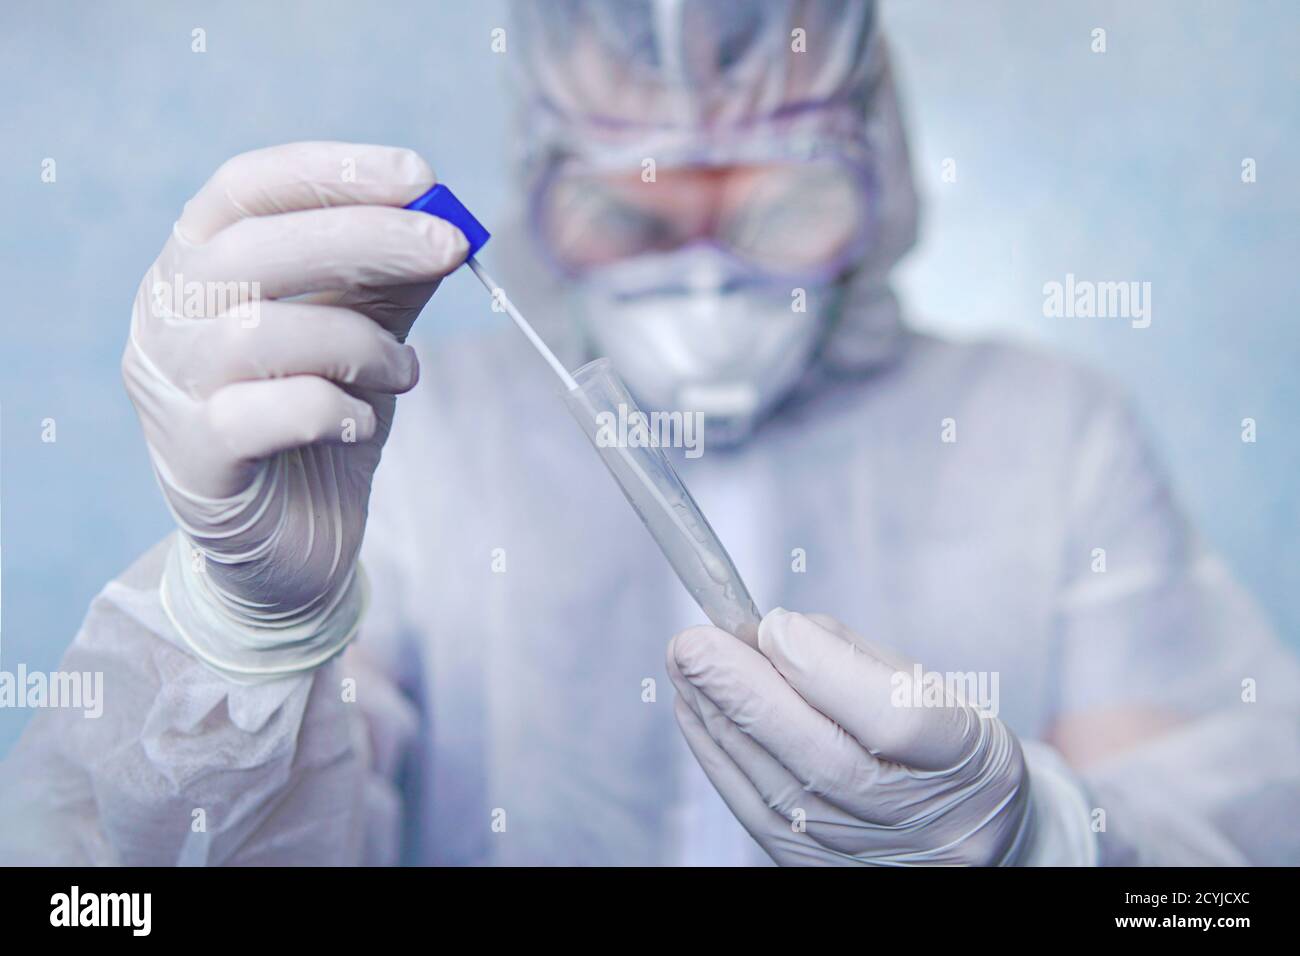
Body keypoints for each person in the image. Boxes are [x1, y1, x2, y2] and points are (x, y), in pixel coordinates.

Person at [2, 0, 1297, 866]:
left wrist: (1036, 840)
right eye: (633, 209)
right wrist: (246, 627)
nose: (706, 270)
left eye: (779, 202)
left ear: (878, 177)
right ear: (544, 191)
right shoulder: (408, 440)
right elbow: (100, 891)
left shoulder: (1047, 430)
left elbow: (1227, 862)